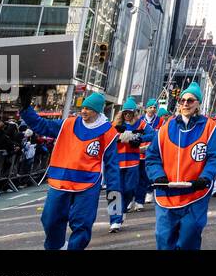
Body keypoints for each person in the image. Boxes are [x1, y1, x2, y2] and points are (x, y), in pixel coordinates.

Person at [20, 90, 119, 250]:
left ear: (97, 111)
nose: (84, 111)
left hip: (88, 184)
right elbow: (42, 125)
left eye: (88, 109)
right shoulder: (68, 123)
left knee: (82, 224)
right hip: (61, 180)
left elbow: (113, 169)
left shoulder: (108, 132)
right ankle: (56, 246)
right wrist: (26, 109)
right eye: (83, 108)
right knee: (50, 219)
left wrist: (116, 213)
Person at [144, 82, 216, 250]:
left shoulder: (209, 127)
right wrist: (158, 175)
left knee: (190, 235)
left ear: (198, 104)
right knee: (163, 239)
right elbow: (152, 157)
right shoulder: (165, 129)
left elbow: (215, 157)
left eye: (190, 100)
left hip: (195, 193)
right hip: (167, 193)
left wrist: (205, 177)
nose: (185, 104)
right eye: (182, 100)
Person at [109, 96, 144, 232]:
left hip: (132, 162)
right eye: (125, 112)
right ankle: (115, 220)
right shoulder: (114, 125)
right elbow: (108, 138)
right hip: (116, 162)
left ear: (135, 112)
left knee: (129, 189)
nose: (128, 115)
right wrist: (118, 138)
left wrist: (138, 138)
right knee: (114, 191)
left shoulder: (140, 124)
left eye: (130, 112)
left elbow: (152, 135)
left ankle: (122, 209)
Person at [132, 100, 161, 210]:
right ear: (146, 109)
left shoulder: (160, 121)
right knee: (134, 178)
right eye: (151, 107)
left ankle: (140, 200)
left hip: (150, 152)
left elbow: (156, 135)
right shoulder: (139, 121)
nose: (153, 109)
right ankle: (130, 198)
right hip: (136, 152)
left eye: (154, 107)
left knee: (144, 177)